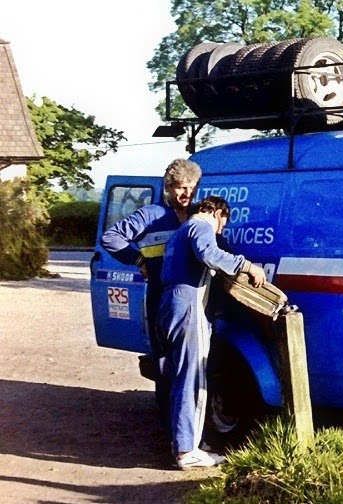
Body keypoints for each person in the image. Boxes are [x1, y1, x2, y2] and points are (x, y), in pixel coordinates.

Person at [157, 195, 266, 469]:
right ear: (217, 212)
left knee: (182, 377)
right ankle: (188, 451)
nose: (221, 232)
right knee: (193, 379)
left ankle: (184, 441)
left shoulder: (179, 233)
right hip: (189, 308)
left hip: (171, 306)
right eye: (222, 225)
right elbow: (208, 253)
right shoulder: (200, 225)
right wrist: (246, 265)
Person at [100, 158, 202, 437]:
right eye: (180, 188)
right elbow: (111, 237)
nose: (186, 194)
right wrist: (136, 258)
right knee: (165, 365)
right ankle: (169, 432)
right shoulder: (151, 214)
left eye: (191, 188)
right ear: (168, 188)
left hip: (190, 301)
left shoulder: (198, 216)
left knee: (190, 368)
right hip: (159, 299)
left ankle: (185, 433)